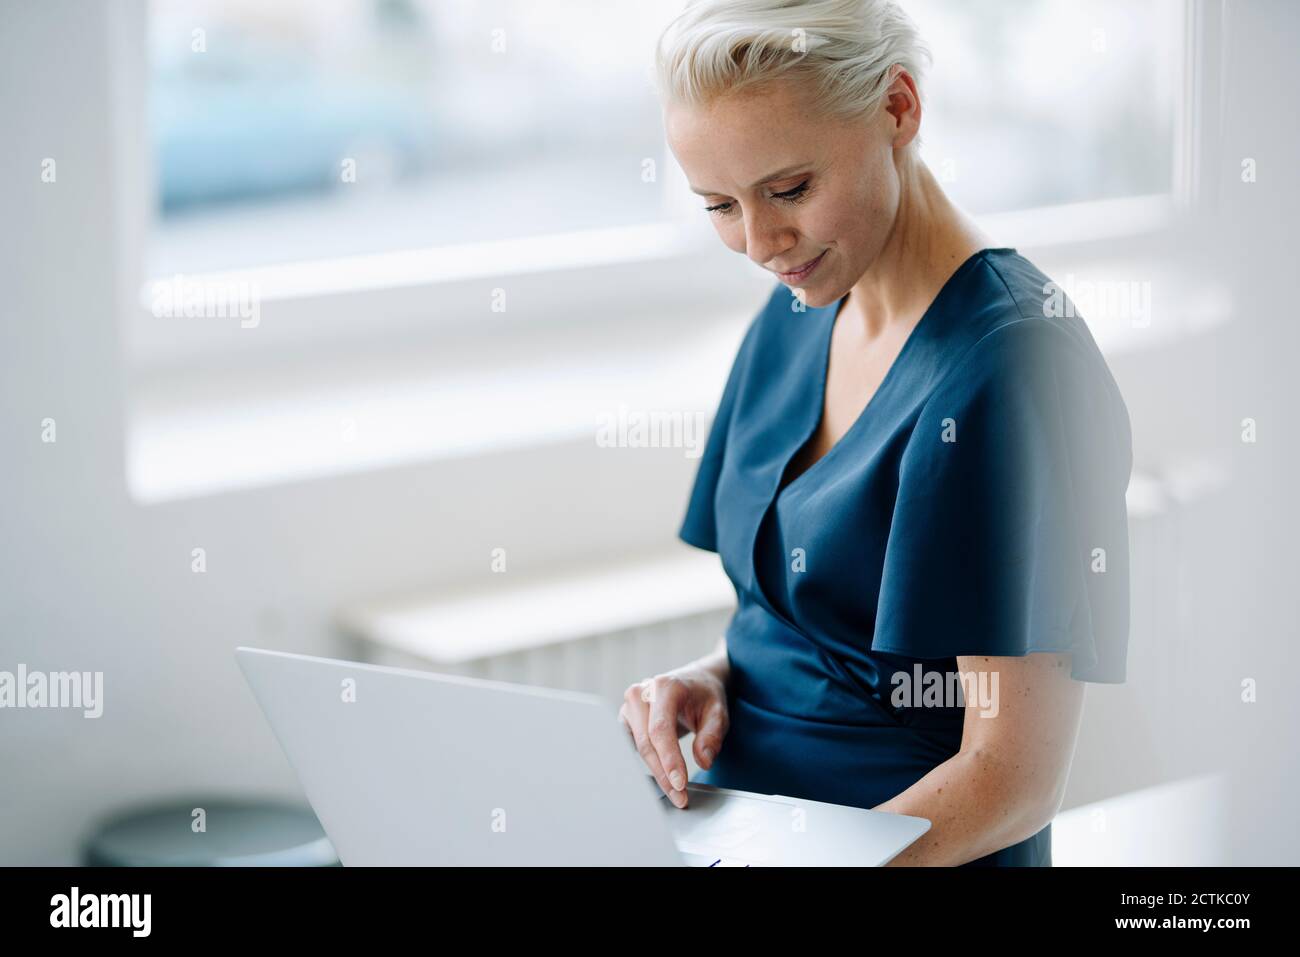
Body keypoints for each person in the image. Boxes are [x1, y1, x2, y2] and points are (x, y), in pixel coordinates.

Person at [617, 0, 1134, 866]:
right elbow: (811, 629)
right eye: (719, 205)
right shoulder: (800, 304)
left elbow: (1010, 781)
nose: (760, 242)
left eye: (790, 190)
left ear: (898, 108)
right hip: (738, 831)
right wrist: (711, 679)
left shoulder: (1014, 367)